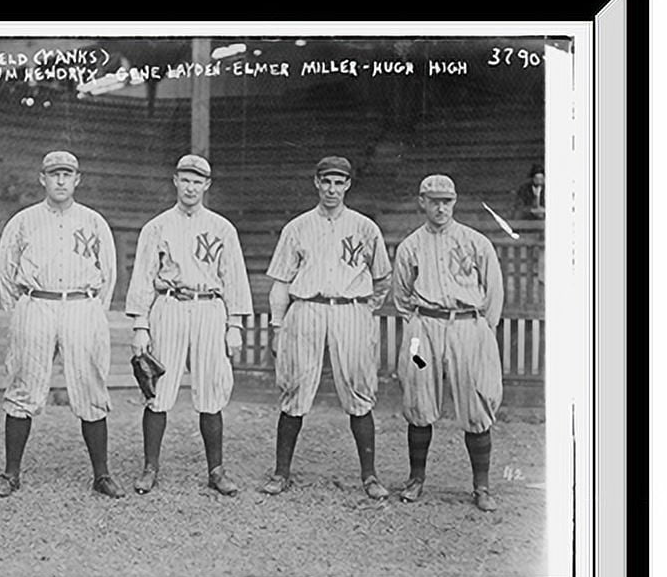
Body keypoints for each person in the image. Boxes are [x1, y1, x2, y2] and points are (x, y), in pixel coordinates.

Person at [0, 150, 124, 498]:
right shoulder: (23, 221)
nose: (61, 180)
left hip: (81, 304)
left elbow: (108, 274)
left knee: (91, 386)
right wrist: (21, 311)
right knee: (23, 387)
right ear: (43, 179)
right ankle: (10, 473)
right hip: (37, 303)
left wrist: (92, 310)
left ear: (77, 179)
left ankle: (101, 475)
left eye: (67, 174)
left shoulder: (94, 221)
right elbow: (5, 272)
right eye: (54, 174)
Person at [262, 156, 393, 499]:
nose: (332, 189)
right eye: (326, 182)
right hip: (307, 308)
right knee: (295, 390)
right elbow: (281, 283)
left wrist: (361, 309)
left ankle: (370, 476)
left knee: (359, 392)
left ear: (348, 185)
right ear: (316, 183)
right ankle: (281, 472)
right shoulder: (297, 227)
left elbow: (382, 279)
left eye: (339, 182)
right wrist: (277, 326)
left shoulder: (365, 227)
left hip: (349, 310)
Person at [125, 154, 253, 495]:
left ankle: (216, 471)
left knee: (211, 391)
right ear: (175, 181)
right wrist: (141, 325)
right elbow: (143, 277)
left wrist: (235, 324)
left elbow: (234, 278)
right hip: (169, 305)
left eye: (198, 181)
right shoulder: (157, 227)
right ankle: (150, 468)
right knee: (158, 391)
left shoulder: (222, 228)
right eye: (186, 180)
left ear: (207, 185)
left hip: (209, 307)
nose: (191, 187)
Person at [392, 174, 504, 512]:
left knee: (476, 402)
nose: (441, 208)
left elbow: (493, 291)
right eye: (434, 201)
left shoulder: (475, 242)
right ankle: (416, 479)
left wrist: (483, 329)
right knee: (418, 395)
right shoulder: (410, 245)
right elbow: (401, 295)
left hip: (467, 327)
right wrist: (418, 323)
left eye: (447, 202)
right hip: (423, 331)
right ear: (422, 202)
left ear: (454, 202)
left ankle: (481, 486)